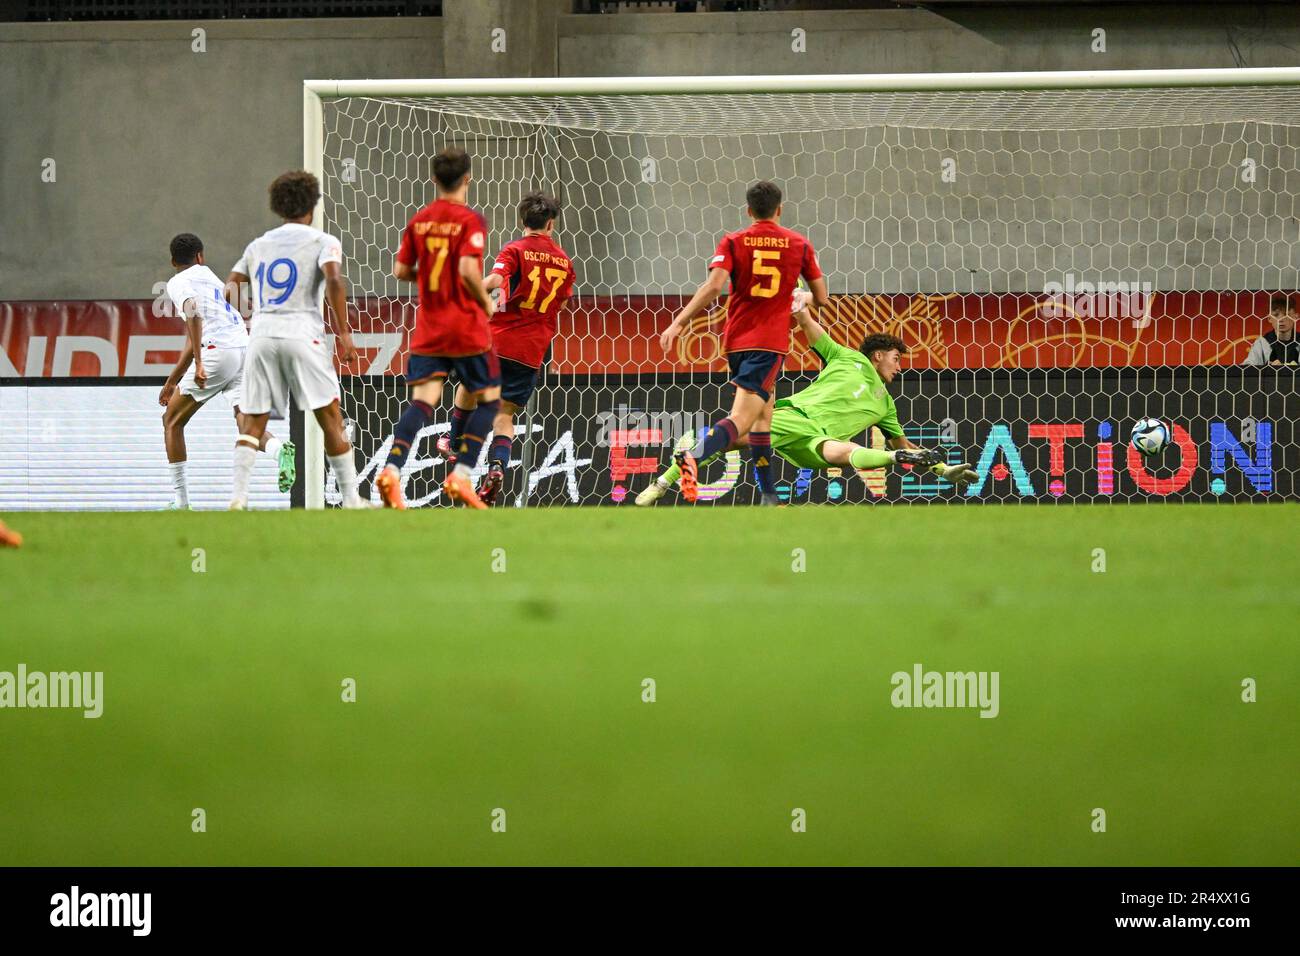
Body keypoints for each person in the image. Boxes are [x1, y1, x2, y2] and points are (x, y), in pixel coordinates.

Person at [638, 289, 973, 504]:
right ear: (877, 356)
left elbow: (909, 447)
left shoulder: (886, 405)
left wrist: (943, 470)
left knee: (849, 451)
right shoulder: (847, 357)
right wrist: (799, 304)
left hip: (816, 444)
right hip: (793, 418)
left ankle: (891, 462)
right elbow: (809, 325)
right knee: (728, 440)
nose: (899, 368)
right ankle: (663, 484)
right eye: (896, 359)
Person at [657, 180, 828, 505]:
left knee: (764, 419)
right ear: (780, 209)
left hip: (735, 341)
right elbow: (821, 298)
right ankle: (692, 457)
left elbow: (713, 287)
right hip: (770, 344)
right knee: (743, 419)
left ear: (749, 211)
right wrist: (802, 296)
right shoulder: (799, 245)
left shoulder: (734, 242)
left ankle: (768, 495)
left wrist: (679, 322)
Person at [225, 171, 363, 510]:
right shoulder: (322, 241)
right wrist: (344, 332)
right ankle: (351, 500)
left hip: (262, 335)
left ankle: (238, 497)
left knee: (253, 418)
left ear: (278, 206)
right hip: (302, 333)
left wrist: (258, 307)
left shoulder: (259, 245)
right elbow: (334, 280)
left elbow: (230, 288)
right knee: (329, 414)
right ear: (313, 205)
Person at [375, 147, 498, 510]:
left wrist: (430, 275)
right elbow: (465, 271)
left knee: (423, 403)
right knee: (489, 400)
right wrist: (486, 301)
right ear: (467, 179)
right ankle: (461, 475)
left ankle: (392, 469)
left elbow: (399, 271)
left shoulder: (420, 220)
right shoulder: (470, 220)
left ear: (433, 179)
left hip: (429, 330)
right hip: (466, 329)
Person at [437, 191, 575, 505]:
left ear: (522, 220)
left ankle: (455, 438)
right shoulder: (565, 263)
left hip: (498, 340)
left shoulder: (515, 249)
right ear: (551, 224)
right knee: (505, 415)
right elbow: (562, 301)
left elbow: (496, 280)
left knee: (467, 385)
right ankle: (497, 466)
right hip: (532, 350)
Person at [158, 233, 294, 510]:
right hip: (243, 348)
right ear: (200, 257)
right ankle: (279, 450)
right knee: (244, 419)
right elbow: (198, 327)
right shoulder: (209, 277)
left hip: (216, 353)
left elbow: (193, 315)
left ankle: (181, 504)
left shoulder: (177, 283)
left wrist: (198, 363)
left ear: (173, 261)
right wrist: (173, 380)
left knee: (172, 421)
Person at [1244, 294, 1300, 367]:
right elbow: (1247, 369)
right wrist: (1268, 370)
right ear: (1269, 318)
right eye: (1276, 315)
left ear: (1296, 317)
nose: (1281, 319)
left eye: (1287, 314)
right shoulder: (1262, 342)